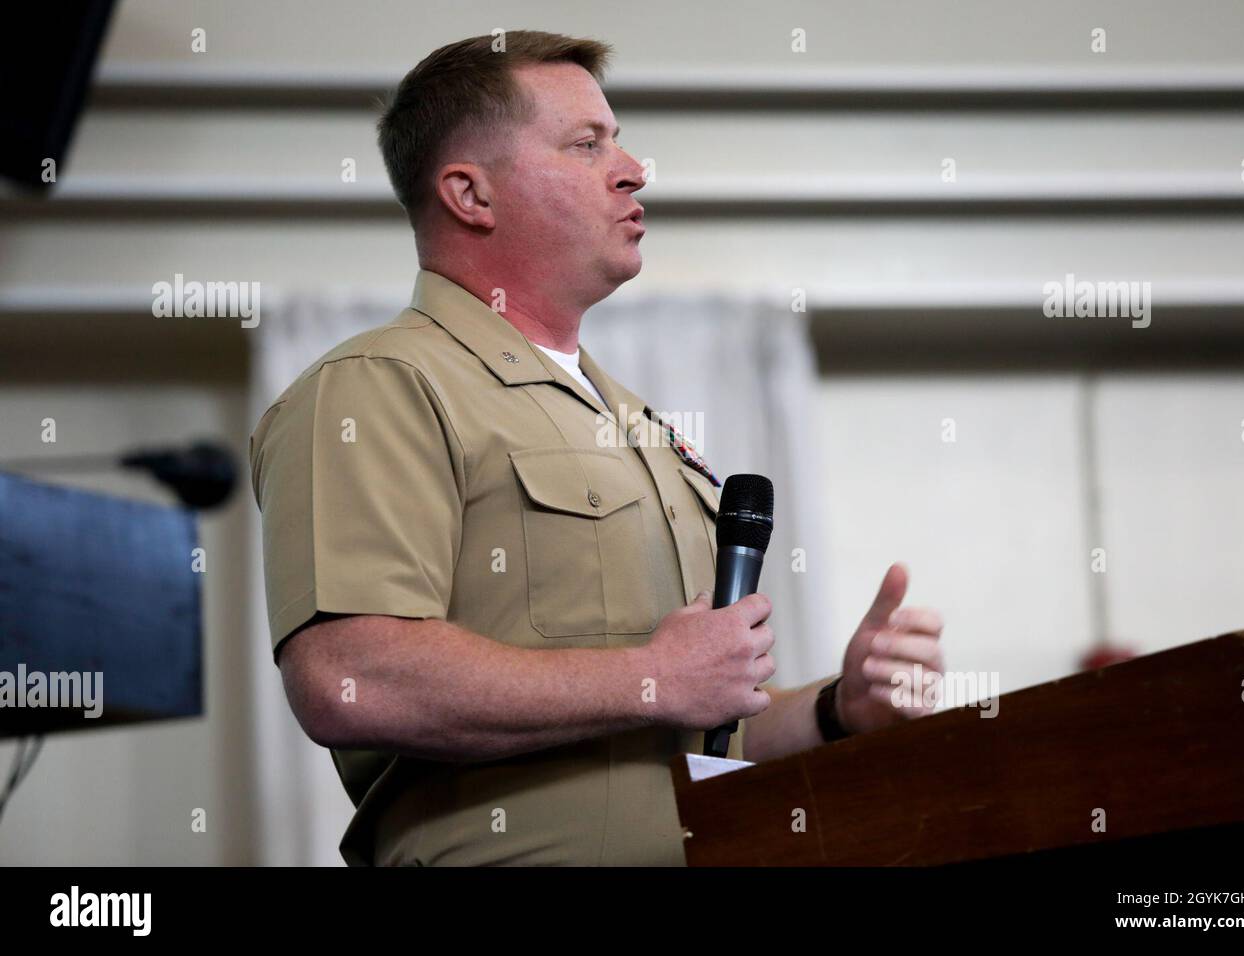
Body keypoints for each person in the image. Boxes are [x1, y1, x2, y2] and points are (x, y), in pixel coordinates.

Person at [248, 29, 945, 866]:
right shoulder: (378, 385)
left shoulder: (636, 424)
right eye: (586, 144)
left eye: (617, 140)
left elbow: (702, 727)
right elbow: (350, 677)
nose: (633, 168)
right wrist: (653, 676)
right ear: (471, 195)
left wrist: (841, 708)